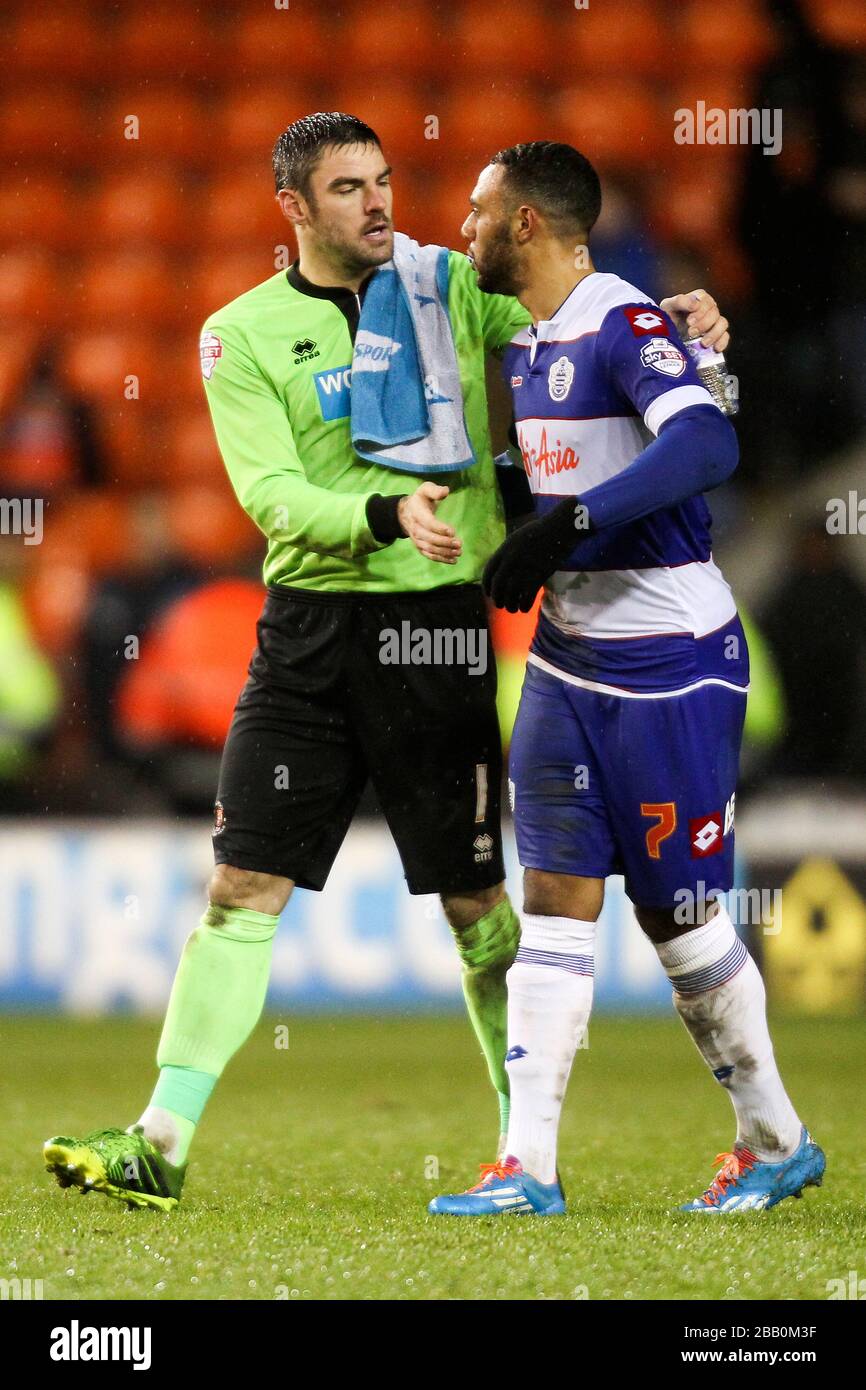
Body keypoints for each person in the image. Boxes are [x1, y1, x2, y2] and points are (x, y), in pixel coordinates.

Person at [43, 116, 730, 1211]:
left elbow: (580, 313)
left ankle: (521, 1146)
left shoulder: (447, 288)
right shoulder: (241, 334)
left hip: (436, 635)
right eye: (347, 187)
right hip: (308, 639)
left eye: (384, 181)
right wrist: (381, 510)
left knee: (473, 905)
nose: (377, 204)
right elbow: (269, 496)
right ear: (295, 209)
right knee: (238, 884)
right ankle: (159, 1140)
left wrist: (680, 322)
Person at [429, 142, 824, 1217]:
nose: (462, 227)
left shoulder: (620, 321)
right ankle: (526, 1167)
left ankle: (773, 1136)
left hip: (670, 661)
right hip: (566, 657)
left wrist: (565, 526)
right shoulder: (528, 337)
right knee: (552, 901)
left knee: (681, 922)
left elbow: (703, 447)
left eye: (477, 211)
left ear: (525, 224)